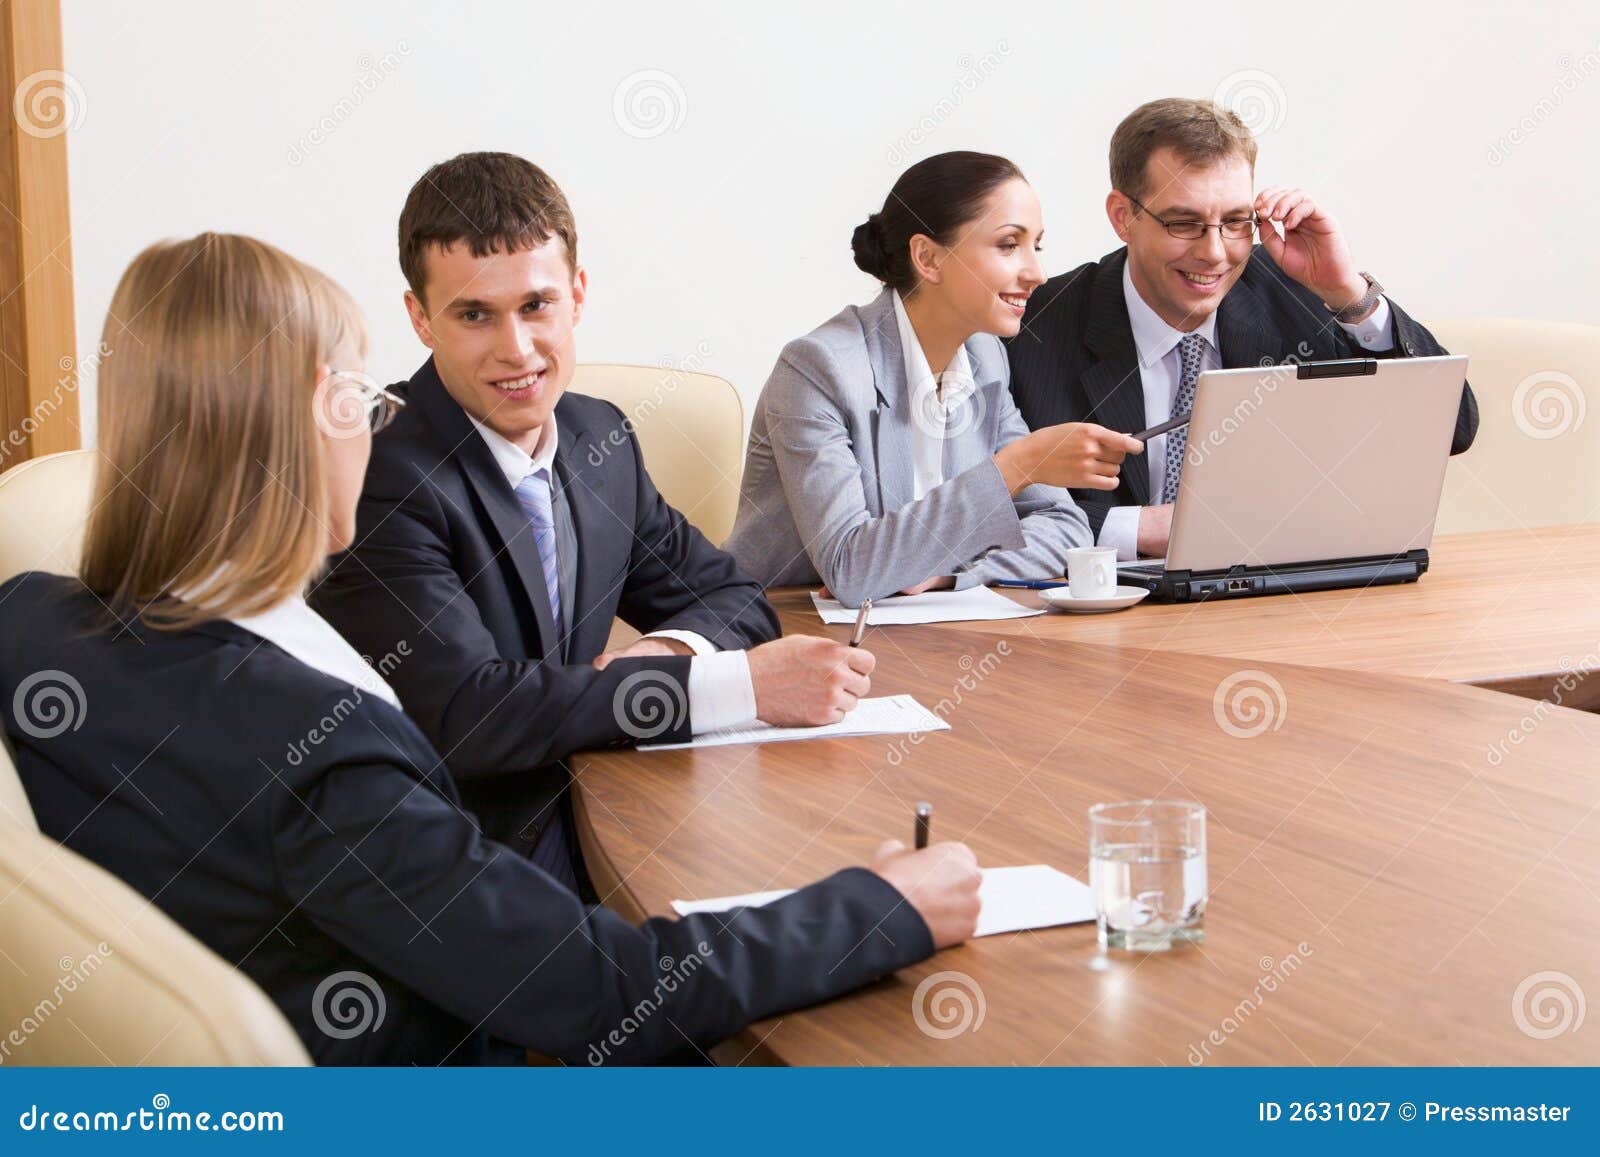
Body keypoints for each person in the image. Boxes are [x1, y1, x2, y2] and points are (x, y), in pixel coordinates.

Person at [0, 232, 982, 1066]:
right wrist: (874, 906)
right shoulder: (316, 754)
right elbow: (602, 990)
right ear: (316, 408)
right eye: (357, 387)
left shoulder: (28, 619)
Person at [310, 153, 873, 889]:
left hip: (611, 799)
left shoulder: (596, 438)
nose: (516, 349)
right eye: (475, 314)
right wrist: (734, 686)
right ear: (420, 318)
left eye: (536, 305)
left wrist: (666, 656)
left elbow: (731, 598)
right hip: (460, 859)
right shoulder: (380, 469)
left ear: (577, 294)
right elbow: (470, 714)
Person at [1006, 98, 1479, 560]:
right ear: (1122, 217)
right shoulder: (1033, 327)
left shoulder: (1298, 290)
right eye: (1184, 223)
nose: (1215, 253)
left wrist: (1348, 295)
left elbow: (1452, 429)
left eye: (1236, 222)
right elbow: (977, 499)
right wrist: (1137, 529)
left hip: (1286, 600)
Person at [723, 151, 1144, 608]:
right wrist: (1017, 467)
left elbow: (1064, 529)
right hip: (782, 626)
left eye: (1035, 246)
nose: (1037, 273)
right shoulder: (818, 368)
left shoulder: (985, 360)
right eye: (1008, 245)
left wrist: (948, 573)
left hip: (926, 630)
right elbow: (849, 568)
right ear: (928, 257)